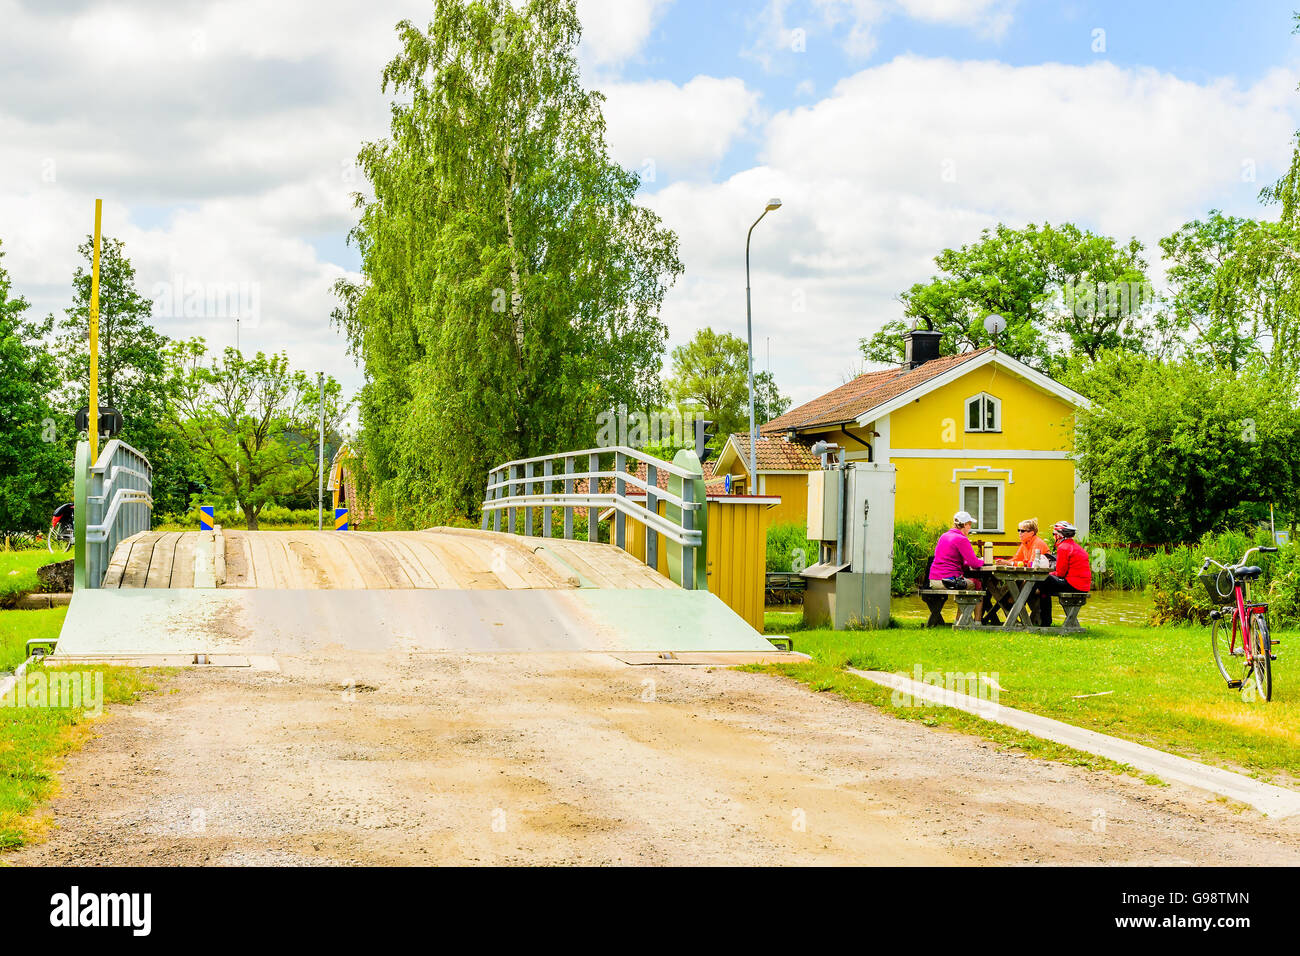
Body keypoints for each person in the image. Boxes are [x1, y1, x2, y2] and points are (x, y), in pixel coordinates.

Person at [1035, 520, 1091, 625]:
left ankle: (1045, 621)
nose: (1053, 537)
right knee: (1044, 587)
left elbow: (1060, 573)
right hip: (1083, 586)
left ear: (1059, 536)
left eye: (1054, 534)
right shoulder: (1077, 547)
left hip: (1074, 585)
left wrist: (1047, 574)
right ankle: (1043, 621)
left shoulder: (1063, 547)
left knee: (1043, 580)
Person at [928, 511, 985, 589]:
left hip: (934, 580)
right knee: (977, 583)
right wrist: (984, 561)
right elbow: (974, 564)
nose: (970, 528)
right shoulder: (962, 539)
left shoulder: (944, 536)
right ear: (965, 525)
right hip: (948, 581)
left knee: (965, 581)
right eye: (970, 525)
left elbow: (949, 559)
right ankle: (982, 601)